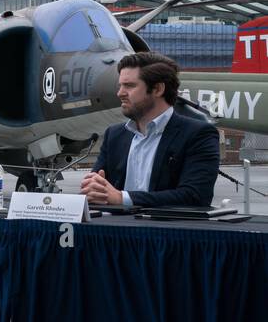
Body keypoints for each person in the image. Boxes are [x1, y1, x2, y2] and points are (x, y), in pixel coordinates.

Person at [81, 51, 219, 208]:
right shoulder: (114, 135)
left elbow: (195, 196)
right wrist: (92, 189)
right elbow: (97, 190)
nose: (120, 93)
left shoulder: (198, 134)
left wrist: (122, 198)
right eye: (120, 85)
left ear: (158, 89)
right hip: (114, 230)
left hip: (167, 231)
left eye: (129, 85)